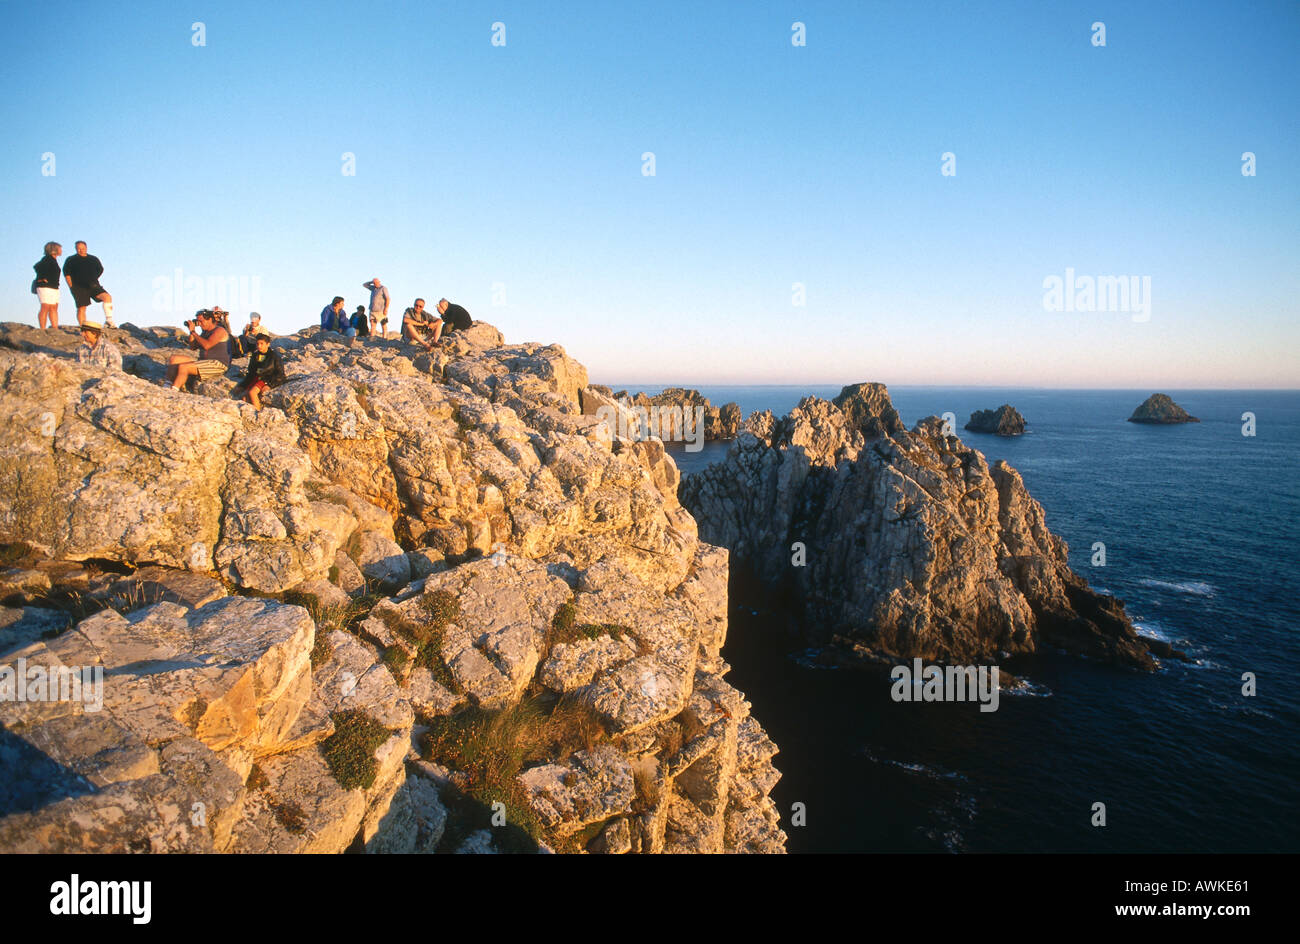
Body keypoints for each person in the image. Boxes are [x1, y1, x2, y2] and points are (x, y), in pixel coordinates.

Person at [165, 309, 231, 390]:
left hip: (217, 364)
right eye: (197, 321)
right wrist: (191, 332)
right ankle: (166, 386)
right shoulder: (204, 332)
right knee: (174, 359)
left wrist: (193, 332)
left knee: (184, 367)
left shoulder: (219, 330)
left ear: (210, 319)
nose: (199, 323)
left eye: (201, 321)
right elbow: (193, 347)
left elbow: (207, 345)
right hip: (204, 362)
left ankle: (174, 389)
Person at [62, 241, 114, 328]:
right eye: (78, 248)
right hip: (78, 287)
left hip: (93, 285)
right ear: (76, 249)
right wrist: (71, 287)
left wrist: (93, 278)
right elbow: (67, 274)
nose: (81, 250)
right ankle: (83, 328)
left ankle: (109, 321)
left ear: (86, 248)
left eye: (82, 248)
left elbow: (100, 270)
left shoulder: (93, 259)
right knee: (82, 308)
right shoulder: (70, 260)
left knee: (107, 297)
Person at [233, 327, 286, 409]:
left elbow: (281, 375)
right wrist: (242, 385)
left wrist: (269, 385)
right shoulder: (255, 356)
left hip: (267, 379)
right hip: (256, 379)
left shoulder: (274, 357)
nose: (259, 346)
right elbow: (250, 373)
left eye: (262, 344)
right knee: (244, 398)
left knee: (252, 393)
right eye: (257, 344)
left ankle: (257, 413)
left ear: (268, 344)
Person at [33, 242, 62, 330]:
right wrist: (42, 278)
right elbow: (37, 266)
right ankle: (42, 328)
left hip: (54, 286)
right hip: (45, 287)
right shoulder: (47, 259)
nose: (61, 251)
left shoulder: (53, 260)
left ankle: (55, 327)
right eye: (60, 248)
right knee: (45, 306)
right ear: (54, 250)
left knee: (53, 307)